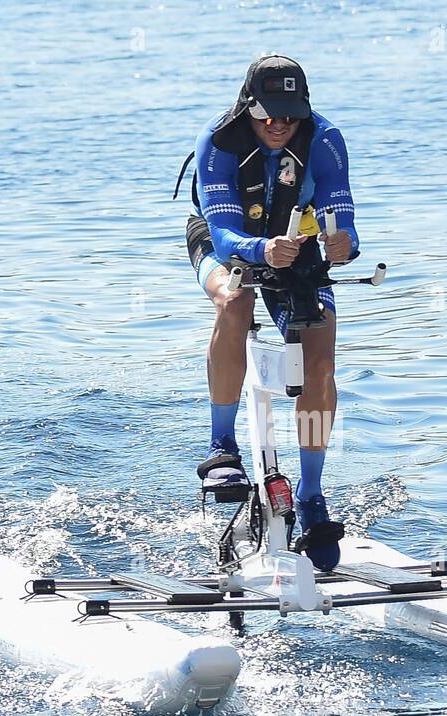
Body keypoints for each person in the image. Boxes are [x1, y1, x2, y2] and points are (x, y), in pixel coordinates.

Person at [177, 54, 359, 570]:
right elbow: (223, 232)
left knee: (320, 350)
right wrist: (261, 251)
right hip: (225, 243)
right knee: (234, 301)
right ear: (247, 108)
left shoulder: (324, 139)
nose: (279, 124)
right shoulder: (218, 141)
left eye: (290, 114)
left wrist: (343, 242)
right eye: (267, 115)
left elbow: (339, 209)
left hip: (295, 248)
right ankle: (222, 449)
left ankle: (311, 494)